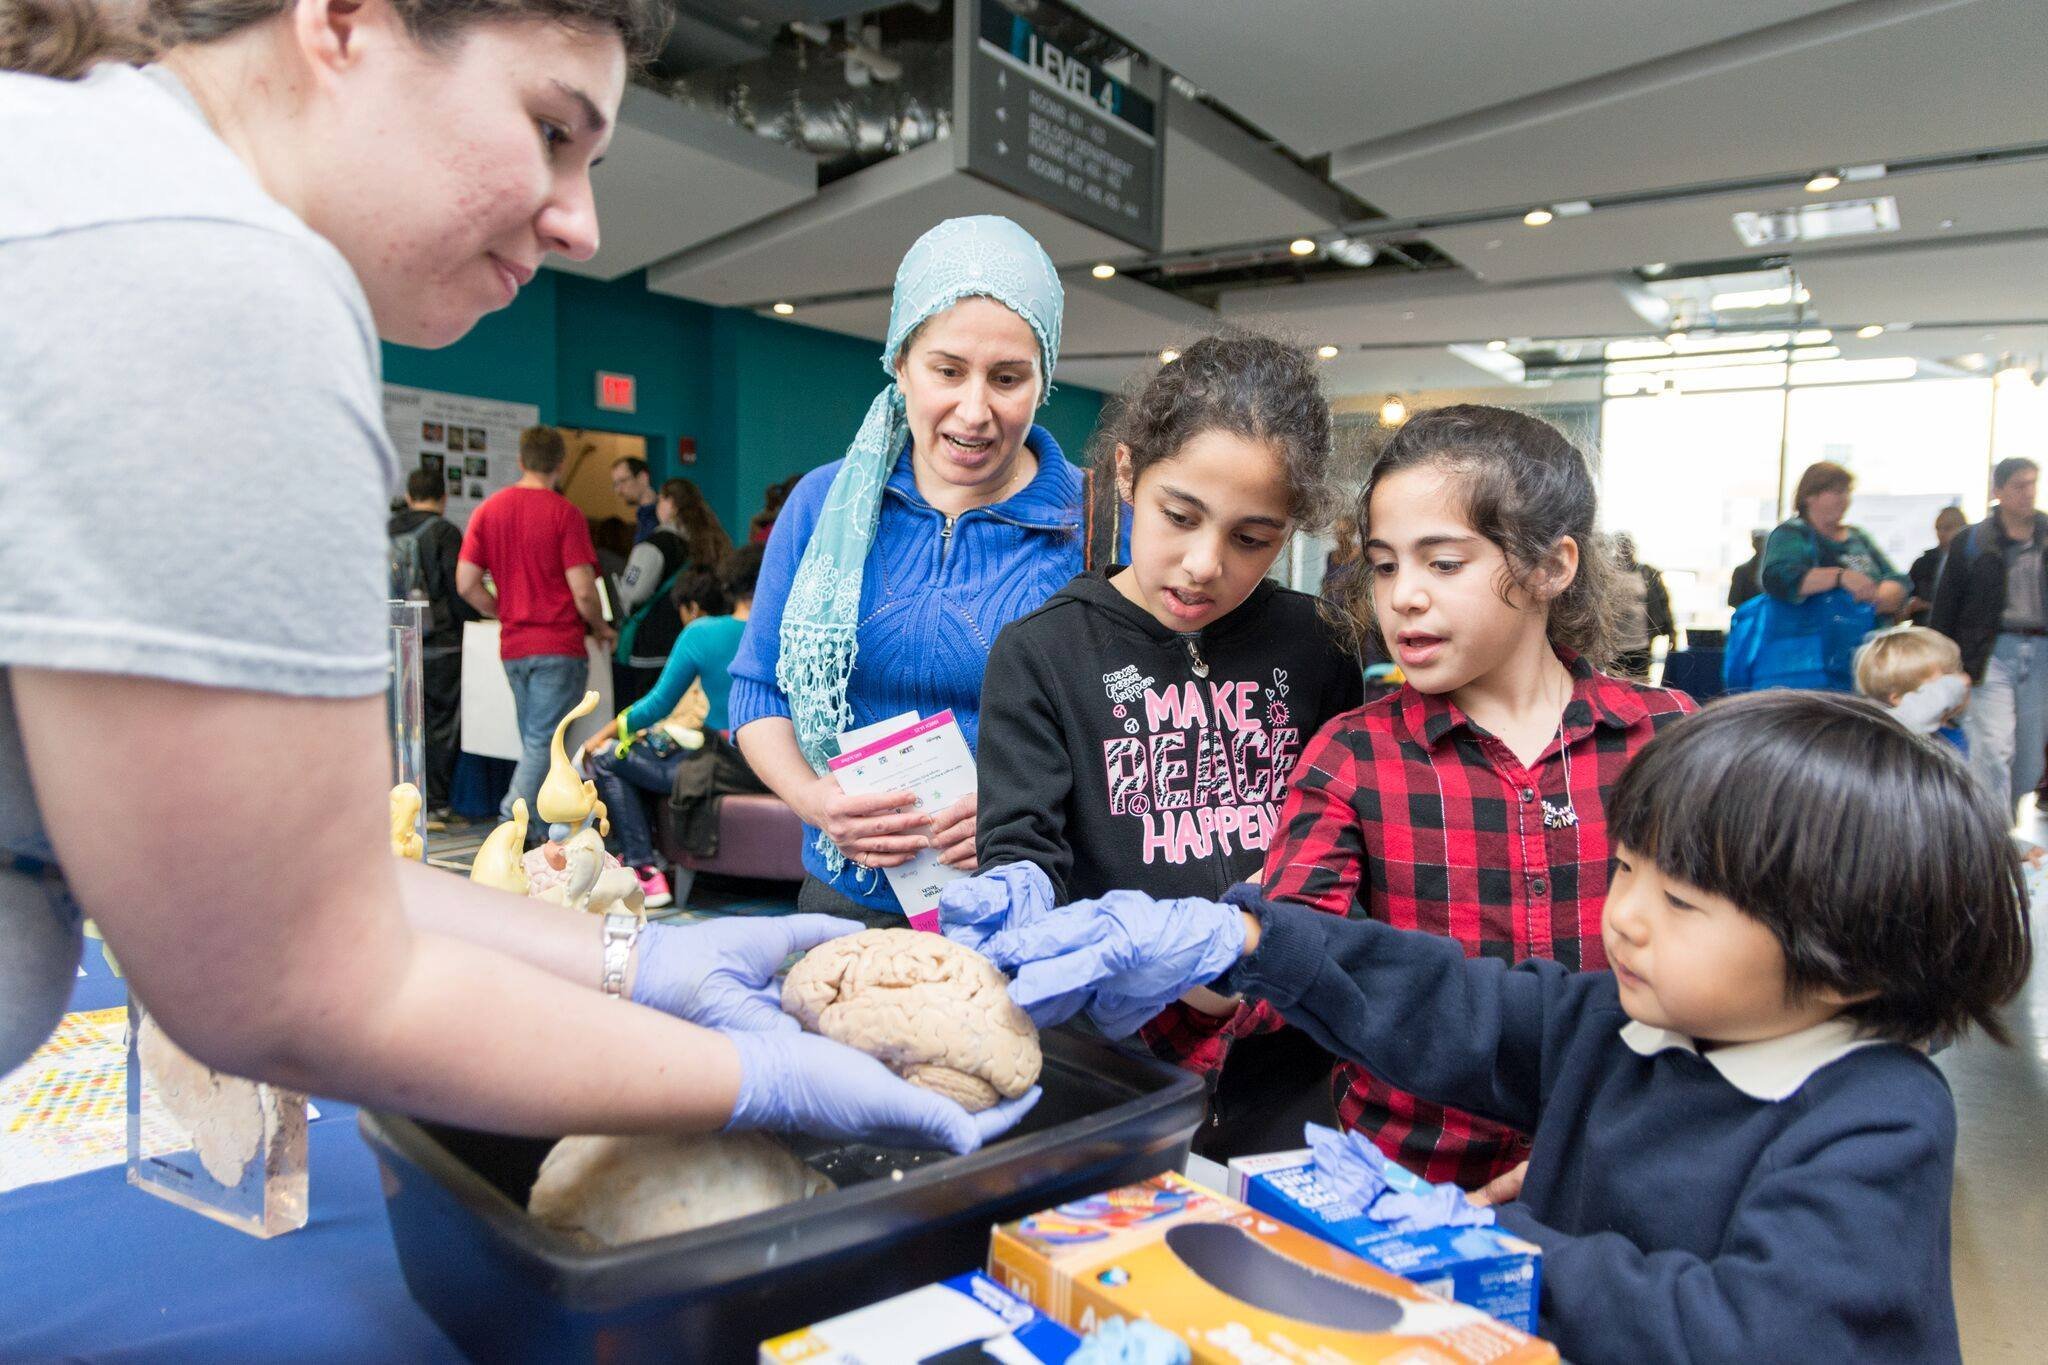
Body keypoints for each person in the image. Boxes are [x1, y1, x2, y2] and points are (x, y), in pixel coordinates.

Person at [0, 0, 1030, 1156]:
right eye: (548, 130)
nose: (584, 224)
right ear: (344, 22)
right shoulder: (213, 276)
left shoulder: (78, 178)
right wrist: (750, 1077)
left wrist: (632, 954)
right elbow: (295, 982)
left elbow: (300, 891)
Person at [956, 691, 2033, 1363]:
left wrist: (1477, 1245)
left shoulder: (1872, 1115)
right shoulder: (1616, 1022)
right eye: (1625, 871)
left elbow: (1757, 1334)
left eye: (1681, 904)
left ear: (1849, 959)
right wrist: (1241, 940)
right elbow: (1454, 1004)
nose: (1623, 917)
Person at [958, 405, 1697, 1189]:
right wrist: (1198, 952)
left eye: (1441, 563)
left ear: (1552, 565)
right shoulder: (1354, 755)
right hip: (1405, 1181)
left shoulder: (1669, 742)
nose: (1404, 596)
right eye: (1384, 566)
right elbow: (1296, 949)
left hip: (1628, 1161)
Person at [966, 330, 1364, 1155]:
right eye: (1178, 516)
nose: (1202, 563)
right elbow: (1024, 846)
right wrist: (1020, 903)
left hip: (1287, 1052)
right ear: (1124, 474)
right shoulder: (1043, 651)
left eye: (1252, 538)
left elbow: (1340, 842)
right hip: (1120, 1051)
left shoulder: (1319, 641)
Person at [729, 215, 1083, 925]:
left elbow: (1132, 725)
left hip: (1023, 894)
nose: (974, 410)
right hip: (846, 888)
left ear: (1043, 381)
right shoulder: (823, 504)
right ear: (900, 364)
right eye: (947, 370)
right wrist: (815, 801)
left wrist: (1025, 804)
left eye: (1008, 377)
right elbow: (756, 693)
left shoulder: (1097, 524)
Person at [582, 548, 764, 908]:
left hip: (727, 766)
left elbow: (657, 705)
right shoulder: (796, 633)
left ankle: (644, 870)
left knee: (608, 759)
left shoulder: (703, 633)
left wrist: (603, 734)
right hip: (785, 766)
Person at [458, 426, 616, 828]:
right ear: (561, 464)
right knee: (544, 743)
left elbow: (466, 582)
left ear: (521, 460)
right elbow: (583, 590)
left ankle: (545, 832)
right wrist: (601, 627)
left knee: (537, 741)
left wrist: (502, 610)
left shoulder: (488, 510)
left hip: (513, 647)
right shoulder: (565, 513)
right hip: (558, 646)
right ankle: (509, 824)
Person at [1932, 457, 2048, 815]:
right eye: (2018, 485)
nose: (2028, 493)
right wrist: (1942, 665)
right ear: (1998, 491)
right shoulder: (1972, 541)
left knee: (2029, 757)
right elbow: (1946, 605)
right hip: (1989, 652)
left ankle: (2004, 819)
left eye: (2032, 483)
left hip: (2042, 651)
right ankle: (1993, 833)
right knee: (1994, 747)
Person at [389, 466, 472, 822]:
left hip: (392, 640)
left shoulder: (386, 530)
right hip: (441, 645)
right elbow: (458, 590)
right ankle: (435, 804)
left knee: (397, 720)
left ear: (409, 495)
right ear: (444, 497)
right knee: (439, 726)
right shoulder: (445, 532)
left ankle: (396, 799)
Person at [613, 477, 719, 710]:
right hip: (693, 645)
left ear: (670, 503)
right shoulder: (711, 544)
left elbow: (632, 592)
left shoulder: (654, 545)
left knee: (643, 716)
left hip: (650, 651)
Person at [1854, 626, 1970, 756]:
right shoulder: (1903, 748)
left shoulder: (1951, 730)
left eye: (1958, 669)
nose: (1965, 680)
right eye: (1947, 678)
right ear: (1899, 699)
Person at [1608, 533, 1675, 680]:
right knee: (1614, 684)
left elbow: (1663, 602)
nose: (1625, 550)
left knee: (1639, 682)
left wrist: (1670, 631)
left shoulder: (1647, 572)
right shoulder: (1606, 572)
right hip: (1613, 642)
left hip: (1641, 641)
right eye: (1621, 546)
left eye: (1627, 546)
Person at [1908, 504, 1968, 625]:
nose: (1941, 533)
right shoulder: (1923, 563)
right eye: (1938, 528)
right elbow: (1908, 596)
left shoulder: (1972, 562)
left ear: (1962, 528)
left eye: (1947, 528)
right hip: (1923, 629)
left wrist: (1926, 606)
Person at [610, 456, 658, 544]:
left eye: (623, 481)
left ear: (643, 478)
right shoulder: (643, 516)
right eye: (615, 484)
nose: (618, 491)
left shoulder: (661, 515)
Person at [1726, 528, 1767, 609]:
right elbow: (1733, 600)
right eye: (1757, 541)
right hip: (1748, 618)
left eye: (1761, 540)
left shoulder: (1774, 570)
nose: (1759, 544)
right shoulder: (1741, 571)